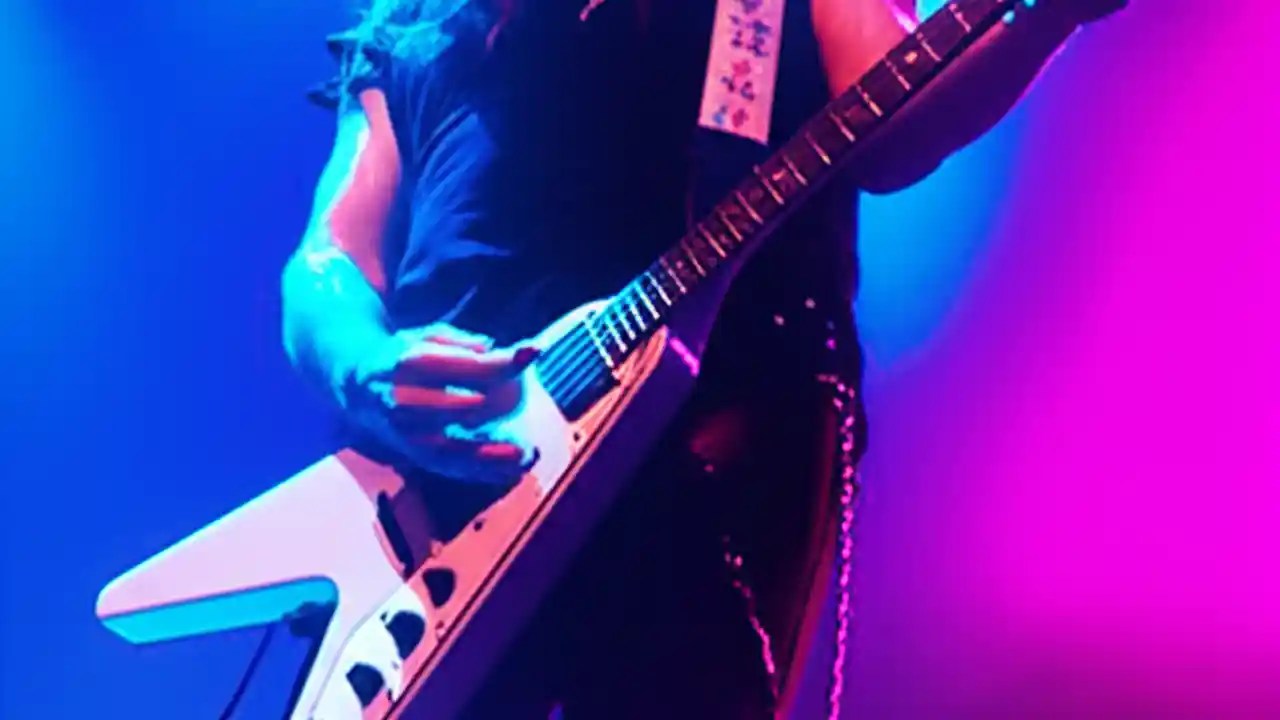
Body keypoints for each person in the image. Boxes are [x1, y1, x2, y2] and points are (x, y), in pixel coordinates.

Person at [282, 0, 1124, 716]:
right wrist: (367, 364)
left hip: (700, 474)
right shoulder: (423, 23)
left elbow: (899, 122)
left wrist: (1039, 20)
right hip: (429, 521)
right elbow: (329, 262)